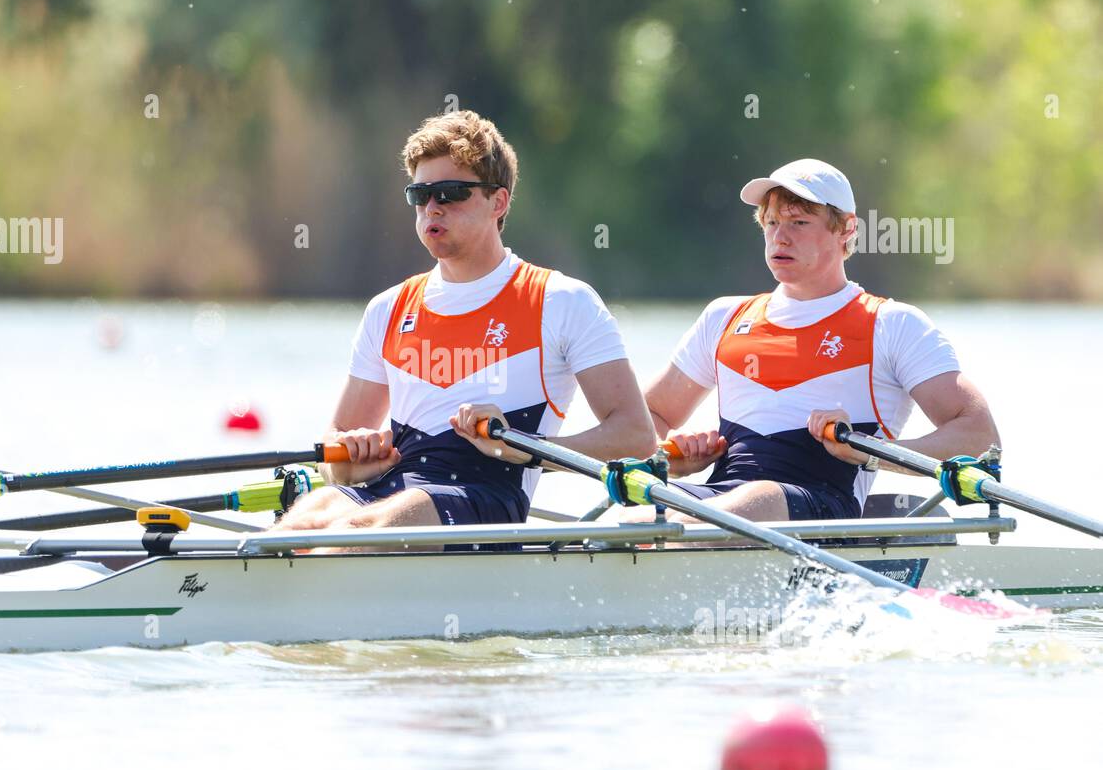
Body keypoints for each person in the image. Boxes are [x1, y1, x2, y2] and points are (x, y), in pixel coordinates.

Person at [279, 110, 655, 544]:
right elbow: (334, 450)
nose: (432, 207)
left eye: (451, 192)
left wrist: (525, 449)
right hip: (390, 490)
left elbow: (636, 436)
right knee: (303, 517)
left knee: (368, 525)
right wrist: (348, 462)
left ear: (498, 202)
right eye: (420, 195)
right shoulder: (388, 308)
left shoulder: (562, 301)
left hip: (486, 499)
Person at [622, 158, 998, 524]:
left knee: (759, 498)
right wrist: (666, 457)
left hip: (824, 508)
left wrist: (872, 455)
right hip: (720, 498)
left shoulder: (892, 325)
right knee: (630, 519)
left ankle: (676, 546)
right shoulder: (724, 317)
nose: (779, 236)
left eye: (799, 222)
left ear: (847, 229)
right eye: (771, 222)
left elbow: (978, 435)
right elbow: (648, 419)